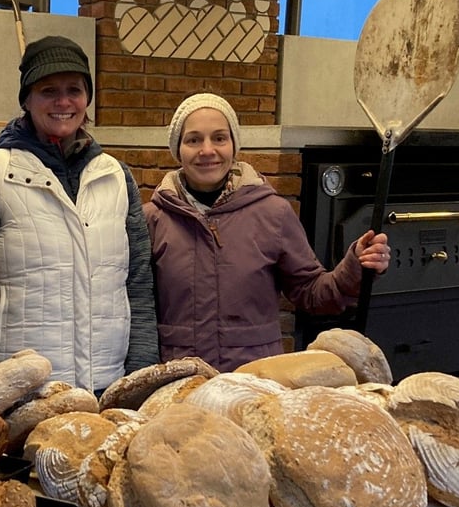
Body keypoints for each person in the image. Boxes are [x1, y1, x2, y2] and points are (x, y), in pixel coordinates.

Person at [0, 36, 157, 394]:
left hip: (106, 386)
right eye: (48, 91)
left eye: (74, 90)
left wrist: (138, 380)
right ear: (27, 99)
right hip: (21, 389)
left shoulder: (116, 176)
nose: (63, 102)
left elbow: (138, 284)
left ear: (88, 99)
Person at [144, 93, 391, 372]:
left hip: (256, 379)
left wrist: (355, 267)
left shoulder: (273, 213)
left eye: (220, 138)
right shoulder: (153, 220)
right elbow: (136, 309)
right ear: (178, 150)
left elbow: (311, 292)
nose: (207, 150)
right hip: (182, 380)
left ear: (234, 145)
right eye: (193, 140)